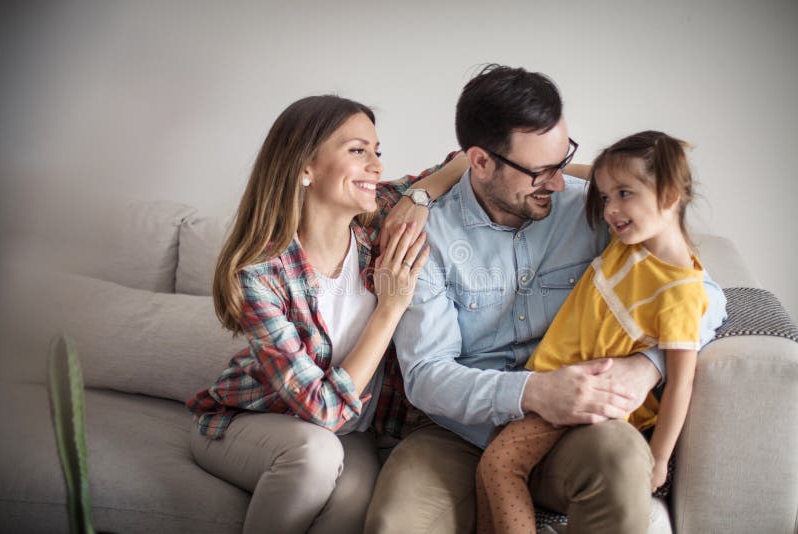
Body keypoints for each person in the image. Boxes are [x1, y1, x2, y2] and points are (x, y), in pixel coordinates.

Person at [365, 65, 727, 534]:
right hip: (462, 435)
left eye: (563, 161)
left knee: (620, 458)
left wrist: (648, 366)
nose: (558, 183)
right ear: (480, 162)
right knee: (394, 524)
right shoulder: (426, 235)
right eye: (541, 172)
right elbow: (427, 375)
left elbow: (703, 294)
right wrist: (533, 391)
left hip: (574, 433)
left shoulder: (595, 209)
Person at [186, 95, 462, 534]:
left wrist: (421, 196)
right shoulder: (261, 273)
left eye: (377, 151)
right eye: (358, 150)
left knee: (354, 505)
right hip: (251, 425)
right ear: (305, 168)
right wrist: (390, 308)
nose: (375, 165)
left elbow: (466, 161)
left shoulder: (379, 224)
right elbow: (322, 411)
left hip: (350, 432)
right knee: (316, 455)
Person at [476, 130, 707, 534]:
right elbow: (578, 176)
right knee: (493, 467)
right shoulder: (631, 244)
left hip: (581, 395)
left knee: (499, 465)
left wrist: (658, 459)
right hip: (550, 383)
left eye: (624, 194)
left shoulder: (680, 290)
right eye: (604, 197)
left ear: (670, 196)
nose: (611, 209)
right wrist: (564, 174)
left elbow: (681, 384)